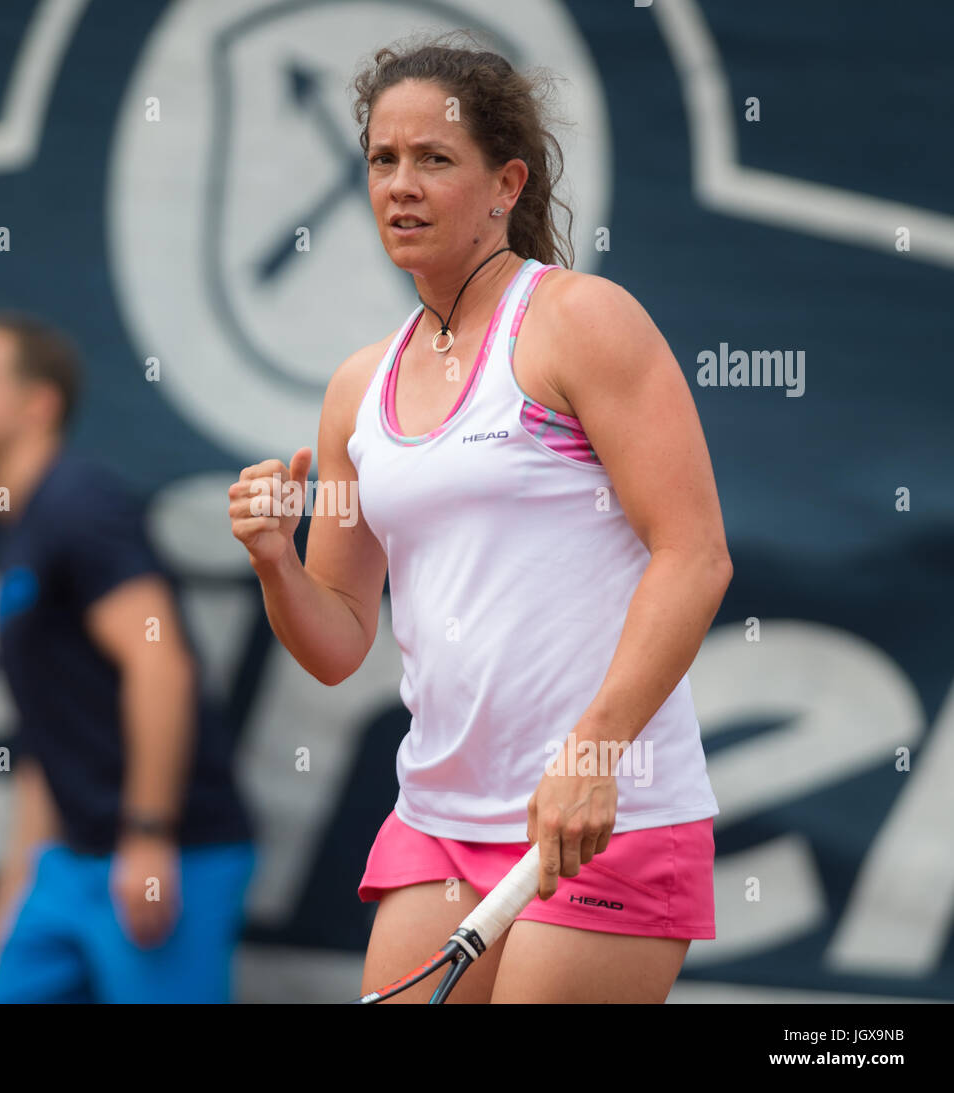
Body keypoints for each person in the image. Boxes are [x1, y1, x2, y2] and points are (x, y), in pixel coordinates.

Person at [227, 35, 729, 1003]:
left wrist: (589, 758)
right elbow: (337, 637)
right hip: (438, 816)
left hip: (603, 807)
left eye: (433, 159)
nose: (400, 185)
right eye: (382, 159)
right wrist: (272, 562)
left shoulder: (583, 320)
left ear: (505, 184)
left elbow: (694, 555)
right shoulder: (353, 389)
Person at [0, 312, 254, 1003]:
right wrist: (9, 902)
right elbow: (46, 743)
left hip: (170, 851)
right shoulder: (20, 529)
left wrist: (147, 835)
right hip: (66, 867)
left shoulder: (79, 502)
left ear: (38, 404)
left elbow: (159, 661)